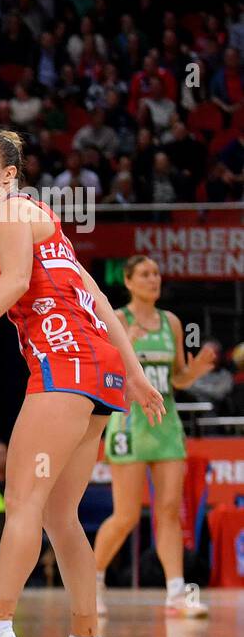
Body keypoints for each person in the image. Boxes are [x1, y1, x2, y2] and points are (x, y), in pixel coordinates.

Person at [0, 130, 162, 637]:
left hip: (65, 365)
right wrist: (134, 374)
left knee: (24, 501)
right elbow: (100, 300)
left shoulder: (9, 211)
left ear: (8, 175)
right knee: (59, 514)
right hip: (97, 372)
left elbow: (14, 283)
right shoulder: (41, 220)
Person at [93, 255, 217, 617]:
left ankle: (176, 594)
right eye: (145, 274)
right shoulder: (117, 319)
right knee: (127, 515)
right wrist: (124, 345)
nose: (153, 279)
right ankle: (93, 580)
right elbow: (106, 373)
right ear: (128, 282)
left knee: (168, 512)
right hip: (130, 425)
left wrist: (193, 373)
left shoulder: (171, 322)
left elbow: (176, 379)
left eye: (156, 273)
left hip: (166, 425)